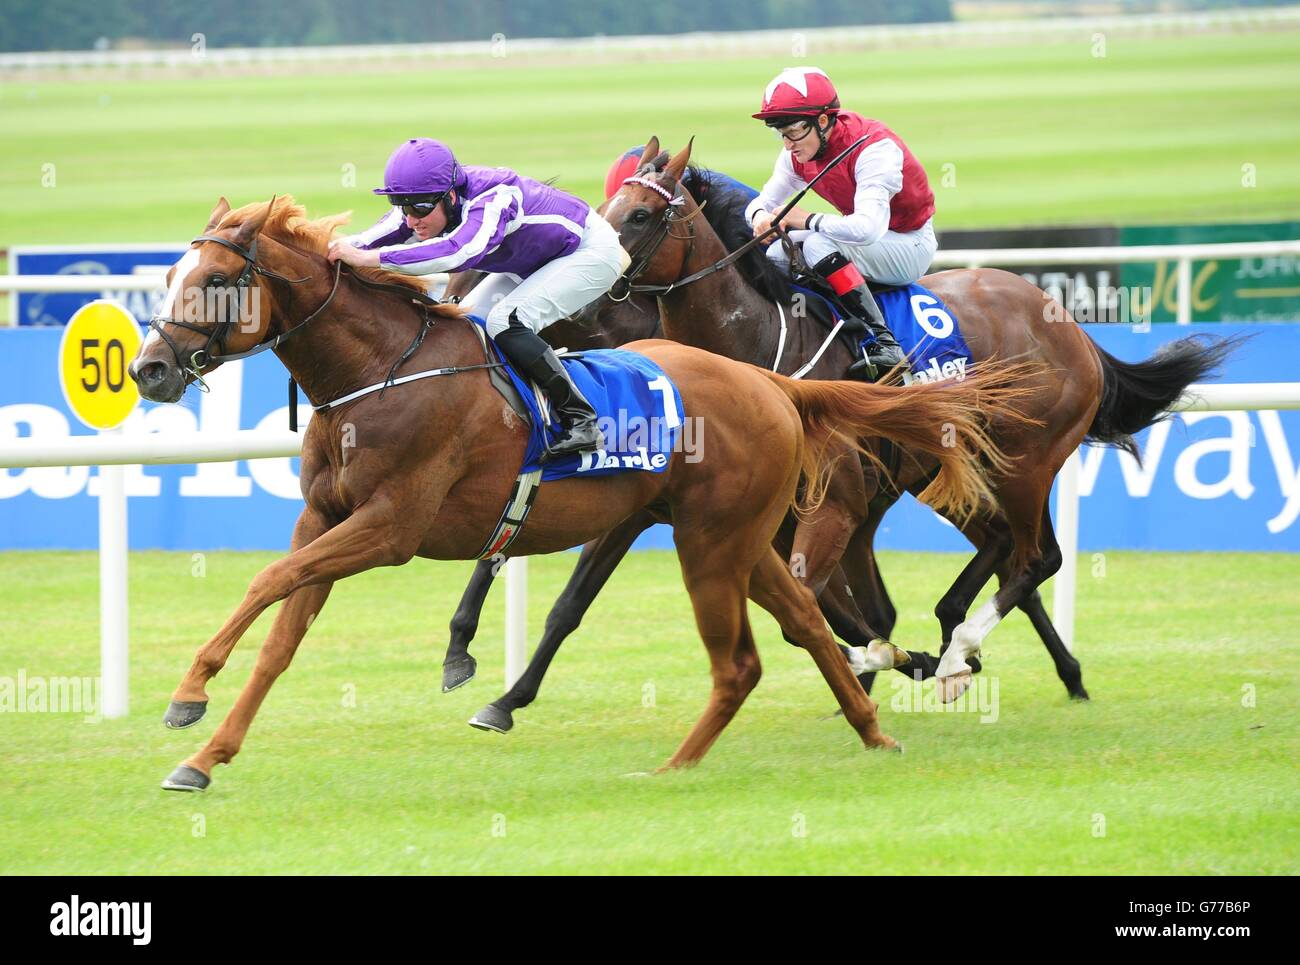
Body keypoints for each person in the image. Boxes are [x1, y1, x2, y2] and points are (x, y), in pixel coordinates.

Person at [329, 138, 628, 461]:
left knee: (506, 322)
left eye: (420, 208)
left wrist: (368, 260)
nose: (412, 219)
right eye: (403, 206)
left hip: (589, 252)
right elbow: (364, 241)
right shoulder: (429, 199)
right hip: (534, 259)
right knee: (468, 326)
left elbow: (458, 251)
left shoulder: (495, 197)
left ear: (451, 196)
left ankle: (581, 420)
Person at [745, 67, 937, 379]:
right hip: (865, 241)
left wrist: (807, 219)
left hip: (909, 243)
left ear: (822, 121)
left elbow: (867, 229)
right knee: (778, 254)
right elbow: (760, 202)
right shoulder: (797, 152)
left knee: (818, 242)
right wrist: (760, 219)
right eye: (780, 133)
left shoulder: (875, 149)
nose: (788, 144)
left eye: (793, 131)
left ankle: (886, 344)